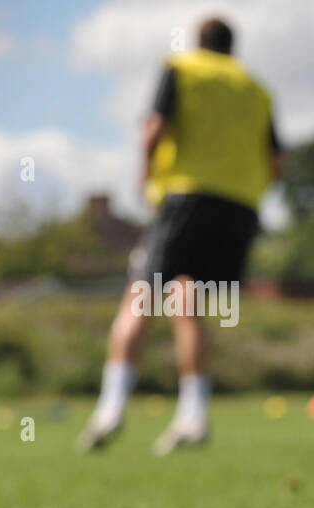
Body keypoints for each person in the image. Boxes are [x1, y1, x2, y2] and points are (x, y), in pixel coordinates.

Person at [78, 16, 282, 454]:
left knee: (140, 298)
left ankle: (110, 408)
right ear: (233, 47)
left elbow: (154, 127)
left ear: (198, 42)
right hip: (241, 209)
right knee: (190, 304)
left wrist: (146, 171)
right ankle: (194, 415)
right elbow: (277, 164)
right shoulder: (257, 90)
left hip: (187, 198)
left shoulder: (182, 68)